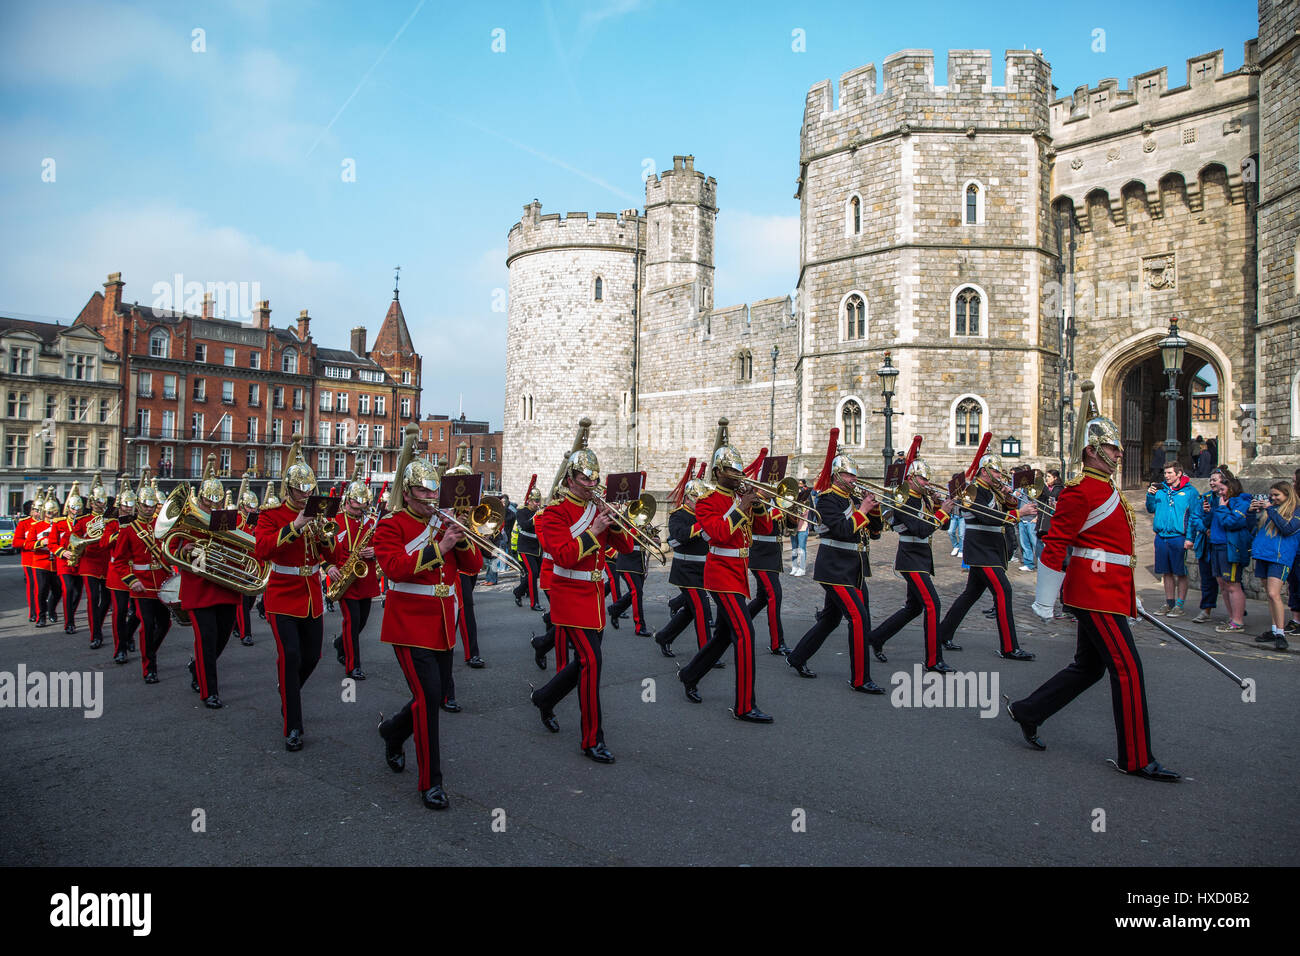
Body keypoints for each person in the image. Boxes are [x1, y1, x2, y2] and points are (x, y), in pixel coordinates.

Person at [1009, 412, 1179, 782]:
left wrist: (1128, 595)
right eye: (1113, 449)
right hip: (1092, 594)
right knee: (1128, 669)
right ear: (1093, 450)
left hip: (1108, 591)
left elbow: (1116, 553)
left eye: (1118, 449)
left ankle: (1029, 710)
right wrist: (1045, 598)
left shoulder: (1106, 488)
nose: (1120, 455)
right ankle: (1134, 758)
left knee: (1089, 666)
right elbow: (1056, 544)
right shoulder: (1080, 490)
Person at [375, 432, 481, 809]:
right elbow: (395, 569)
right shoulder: (390, 526)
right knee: (428, 697)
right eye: (424, 494)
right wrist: (441, 545)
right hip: (408, 624)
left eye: (434, 494)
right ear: (408, 494)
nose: (431, 500)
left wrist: (461, 536)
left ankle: (392, 731)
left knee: (431, 698)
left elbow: (474, 566)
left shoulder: (444, 523)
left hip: (442, 625)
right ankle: (430, 782)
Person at [530, 431, 634, 761]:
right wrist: (596, 530)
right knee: (591, 661)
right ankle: (592, 739)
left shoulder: (597, 509)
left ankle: (546, 698)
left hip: (593, 595)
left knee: (583, 664)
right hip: (568, 593)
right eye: (586, 479)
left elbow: (629, 547)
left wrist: (617, 523)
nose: (592, 484)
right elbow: (562, 554)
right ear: (572, 479)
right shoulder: (554, 513)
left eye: (595, 478)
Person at [677, 420, 775, 720]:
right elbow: (718, 534)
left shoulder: (738, 497)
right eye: (732, 470)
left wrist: (756, 504)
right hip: (720, 573)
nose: (738, 474)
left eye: (739, 470)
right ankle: (745, 705)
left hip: (738, 572)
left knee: (722, 636)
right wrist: (742, 505)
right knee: (745, 634)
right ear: (719, 472)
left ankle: (690, 675)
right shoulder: (708, 501)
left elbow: (765, 528)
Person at [253, 440, 335, 751]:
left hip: (312, 594)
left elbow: (331, 552)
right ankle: (293, 725)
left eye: (309, 491)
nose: (306, 497)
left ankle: (288, 692)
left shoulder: (318, 512)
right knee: (290, 657)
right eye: (301, 491)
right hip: (283, 595)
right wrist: (297, 525)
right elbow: (263, 549)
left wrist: (328, 538)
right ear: (289, 489)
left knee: (312, 656)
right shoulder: (271, 514)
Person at [784, 447, 886, 693]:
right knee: (858, 618)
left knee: (830, 620)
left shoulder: (852, 500)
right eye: (849, 476)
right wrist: (861, 510)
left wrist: (874, 510)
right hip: (835, 568)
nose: (854, 480)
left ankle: (797, 657)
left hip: (855, 569)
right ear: (837, 475)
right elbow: (841, 529)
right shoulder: (828, 499)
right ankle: (860, 678)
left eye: (854, 475)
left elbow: (875, 533)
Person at [937, 454, 1035, 661]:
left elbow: (1003, 510)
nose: (1001, 476)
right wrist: (1019, 513)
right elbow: (987, 517)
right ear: (984, 471)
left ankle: (942, 633)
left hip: (991, 548)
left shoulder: (992, 490)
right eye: (997, 472)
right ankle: (1009, 647)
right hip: (981, 549)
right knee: (1003, 591)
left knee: (970, 594)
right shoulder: (973, 490)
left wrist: (1010, 498)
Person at [867, 458, 956, 673]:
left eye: (927, 479)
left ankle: (876, 637)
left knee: (913, 608)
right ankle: (933, 660)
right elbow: (919, 529)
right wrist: (941, 511)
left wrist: (939, 507)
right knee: (932, 605)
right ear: (910, 478)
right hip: (910, 558)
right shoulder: (904, 499)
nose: (926, 483)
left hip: (922, 557)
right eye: (922, 479)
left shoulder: (922, 498)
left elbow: (943, 527)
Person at [180, 456, 241, 709]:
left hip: (224, 588)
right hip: (199, 588)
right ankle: (210, 691)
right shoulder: (187, 518)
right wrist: (188, 548)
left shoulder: (228, 519)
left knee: (222, 638)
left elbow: (240, 548)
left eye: (216, 501)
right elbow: (171, 547)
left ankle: (198, 667)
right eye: (208, 501)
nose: (212, 505)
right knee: (206, 639)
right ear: (200, 499)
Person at [112, 476, 170, 684]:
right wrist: (131, 580)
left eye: (152, 506)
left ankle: (148, 650)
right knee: (147, 625)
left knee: (165, 624)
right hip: (142, 585)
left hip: (163, 582)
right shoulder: (128, 529)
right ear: (138, 506)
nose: (149, 509)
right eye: (145, 506)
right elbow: (118, 561)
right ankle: (149, 667)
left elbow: (169, 549)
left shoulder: (161, 525)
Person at [654, 479, 717, 659]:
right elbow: (679, 536)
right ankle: (707, 654)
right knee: (702, 609)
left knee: (691, 610)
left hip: (701, 570)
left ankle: (664, 637)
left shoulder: (703, 515)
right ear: (689, 498)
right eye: (699, 498)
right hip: (685, 570)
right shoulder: (678, 515)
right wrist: (703, 524)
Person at [329, 467, 379, 681]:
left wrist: (375, 551)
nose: (359, 511)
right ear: (347, 501)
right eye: (355, 507)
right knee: (352, 621)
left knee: (362, 622)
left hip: (365, 577)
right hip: (344, 576)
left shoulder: (371, 522)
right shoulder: (335, 521)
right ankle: (353, 665)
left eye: (362, 508)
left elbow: (383, 545)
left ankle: (340, 644)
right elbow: (324, 548)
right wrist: (328, 566)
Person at [1248, 481, 1298, 651]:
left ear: (1287, 495)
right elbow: (1253, 530)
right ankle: (1275, 628)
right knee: (1269, 595)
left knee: (1273, 593)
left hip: (1280, 557)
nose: (1273, 498)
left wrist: (1269, 509)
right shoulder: (1270, 511)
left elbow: (1288, 529)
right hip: (1263, 555)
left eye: (1277, 495)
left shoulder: (1295, 511)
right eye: (1272, 495)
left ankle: (1281, 633)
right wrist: (1251, 513)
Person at [1144, 461, 1198, 617]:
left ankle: (1179, 605)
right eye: (1165, 473)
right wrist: (1150, 495)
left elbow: (1194, 516)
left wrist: (1190, 538)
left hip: (1178, 537)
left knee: (1180, 572)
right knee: (1166, 572)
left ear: (1178, 473)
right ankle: (1169, 602)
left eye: (1169, 473)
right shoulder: (1161, 490)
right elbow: (1150, 508)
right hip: (1161, 536)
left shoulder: (1190, 492)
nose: (1166, 476)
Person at [1203, 467, 1252, 633]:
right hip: (1216, 546)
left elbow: (1232, 522)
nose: (1220, 493)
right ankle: (1231, 618)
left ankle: (1238, 621)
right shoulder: (1220, 503)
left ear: (1231, 489)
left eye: (1223, 490)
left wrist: (1222, 508)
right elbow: (1210, 523)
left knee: (1232, 585)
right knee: (1222, 585)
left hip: (1229, 548)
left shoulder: (1241, 502)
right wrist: (1209, 512)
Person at [75, 474, 114, 650]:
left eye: (103, 501)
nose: (101, 504)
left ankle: (97, 621)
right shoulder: (84, 521)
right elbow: (73, 539)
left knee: (106, 600)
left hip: (106, 563)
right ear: (91, 503)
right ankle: (95, 634)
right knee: (93, 598)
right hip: (89, 563)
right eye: (98, 501)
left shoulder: (110, 520)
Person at [747, 498, 790, 655]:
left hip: (773, 555)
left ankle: (733, 625)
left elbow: (787, 527)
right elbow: (764, 524)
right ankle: (777, 643)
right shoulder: (755, 501)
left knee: (762, 599)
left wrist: (792, 516)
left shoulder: (777, 501)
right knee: (774, 595)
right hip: (760, 555)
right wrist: (780, 510)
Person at [105, 479, 139, 664]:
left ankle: (128, 636)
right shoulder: (112, 523)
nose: (129, 509)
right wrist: (117, 534)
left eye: (132, 506)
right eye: (126, 506)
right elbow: (102, 544)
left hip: (137, 571)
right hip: (118, 572)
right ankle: (120, 648)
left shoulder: (138, 522)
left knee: (137, 613)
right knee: (119, 612)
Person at [1186, 476, 1220, 624]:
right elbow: (1195, 517)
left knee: (1227, 582)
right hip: (1205, 544)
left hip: (1222, 545)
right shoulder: (1205, 498)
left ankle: (1236, 614)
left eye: (1216, 480)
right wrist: (1204, 529)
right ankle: (1206, 609)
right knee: (1206, 580)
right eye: (1211, 480)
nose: (1212, 482)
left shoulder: (1230, 498)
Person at [51, 484, 84, 634]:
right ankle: (69, 622)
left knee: (77, 593)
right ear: (68, 508)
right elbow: (52, 543)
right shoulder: (59, 523)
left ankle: (71, 615)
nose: (76, 511)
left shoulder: (84, 522)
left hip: (80, 562)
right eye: (73, 508)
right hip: (64, 562)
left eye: (78, 508)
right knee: (68, 589)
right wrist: (62, 552)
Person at [234, 480, 260, 646]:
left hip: (254, 566)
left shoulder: (257, 519)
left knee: (250, 600)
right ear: (243, 506)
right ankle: (246, 633)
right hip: (239, 565)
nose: (252, 510)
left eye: (254, 507)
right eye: (249, 507)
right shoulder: (236, 519)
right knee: (242, 601)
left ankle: (236, 625)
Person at [512, 487, 545, 610]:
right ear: (529, 501)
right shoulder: (521, 511)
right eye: (535, 501)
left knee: (534, 574)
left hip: (537, 547)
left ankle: (518, 591)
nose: (538, 503)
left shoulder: (540, 511)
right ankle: (534, 603)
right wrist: (536, 517)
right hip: (525, 546)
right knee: (533, 572)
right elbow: (524, 526)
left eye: (538, 501)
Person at [15, 496, 40, 623]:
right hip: (29, 560)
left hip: (45, 559)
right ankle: (34, 612)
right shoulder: (24, 523)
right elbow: (16, 542)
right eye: (36, 510)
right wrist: (31, 544)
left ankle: (48, 608)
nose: (38, 513)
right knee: (33, 586)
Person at [1013, 474, 1038, 572]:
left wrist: (1037, 517)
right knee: (1025, 544)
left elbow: (1039, 504)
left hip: (1031, 520)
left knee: (1035, 543)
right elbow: (1013, 498)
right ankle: (1029, 564)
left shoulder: (1034, 491)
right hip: (1022, 519)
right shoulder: (1021, 491)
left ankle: (1040, 563)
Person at [790, 480, 811, 575]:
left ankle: (802, 568)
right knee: (794, 548)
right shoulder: (792, 502)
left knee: (802, 549)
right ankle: (794, 566)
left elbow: (802, 513)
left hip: (802, 528)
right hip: (793, 527)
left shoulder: (806, 502)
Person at [946, 472, 965, 558]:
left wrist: (961, 497)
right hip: (954, 515)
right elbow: (947, 500)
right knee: (950, 531)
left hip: (961, 515)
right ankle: (956, 546)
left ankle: (961, 550)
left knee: (961, 534)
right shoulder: (950, 489)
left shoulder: (964, 489)